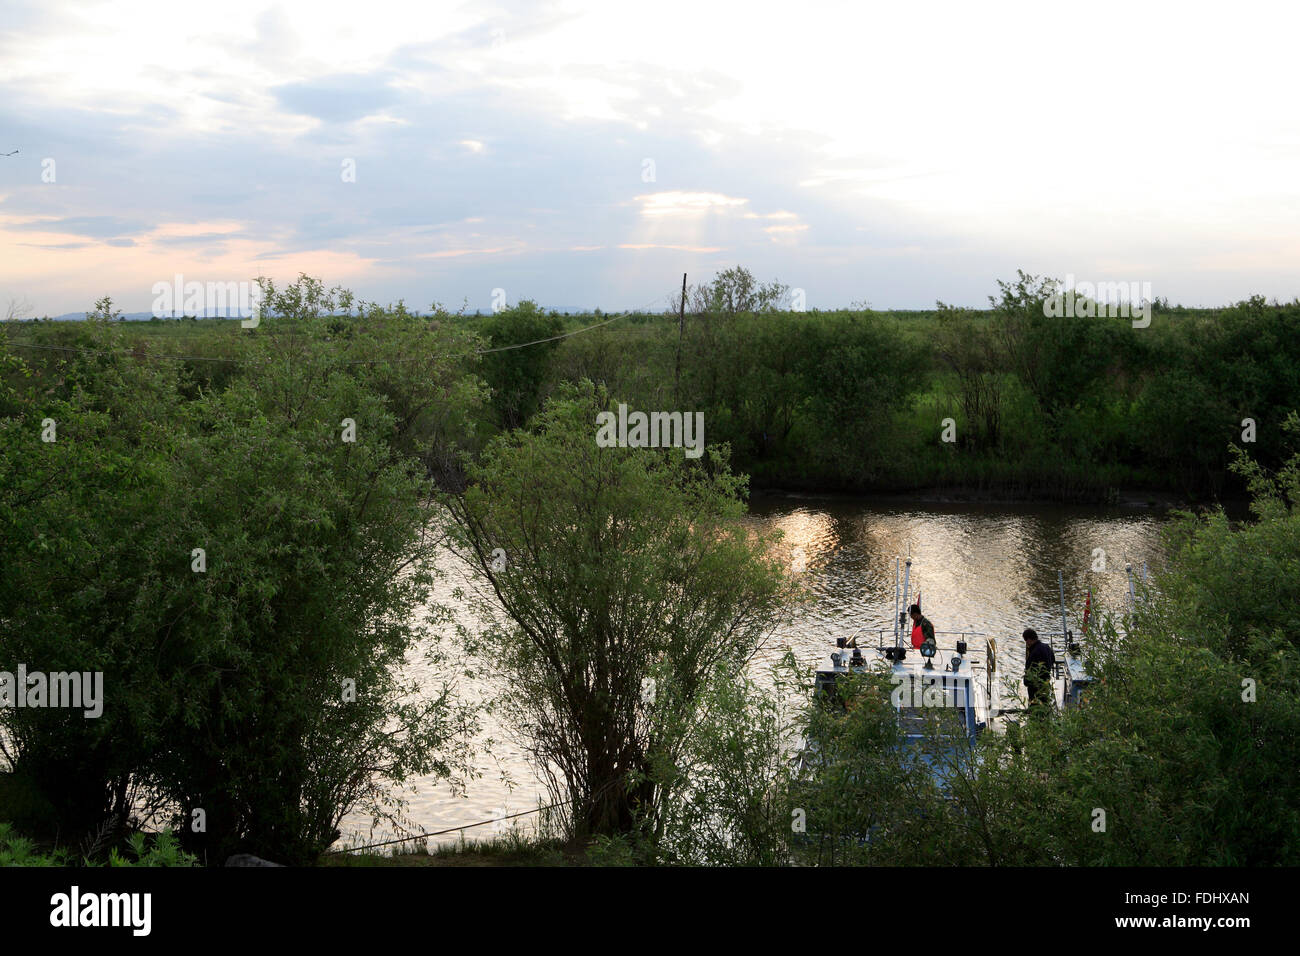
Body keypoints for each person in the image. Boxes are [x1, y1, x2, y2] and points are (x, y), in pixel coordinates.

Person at [1022, 628, 1055, 713]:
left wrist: (1026, 681)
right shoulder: (1046, 647)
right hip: (1045, 683)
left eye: (1026, 640)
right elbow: (1053, 659)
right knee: (1044, 704)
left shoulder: (1034, 652)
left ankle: (1035, 720)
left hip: (1035, 686)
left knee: (1035, 709)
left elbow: (1029, 670)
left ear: (1029, 639)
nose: (1026, 643)